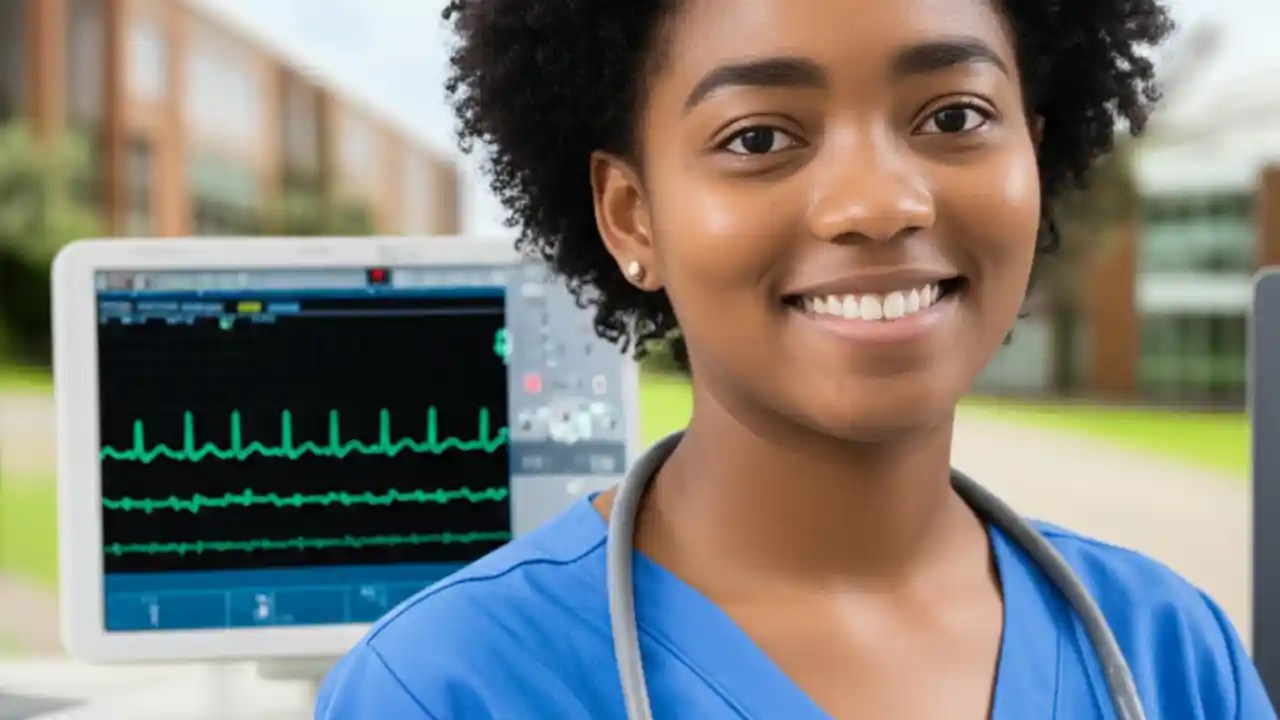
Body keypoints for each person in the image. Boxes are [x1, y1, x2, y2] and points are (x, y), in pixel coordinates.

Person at [315, 0, 1275, 717]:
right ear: (631, 214)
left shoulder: (1175, 655)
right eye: (760, 137)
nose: (879, 202)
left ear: (1032, 150)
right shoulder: (449, 688)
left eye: (952, 118)